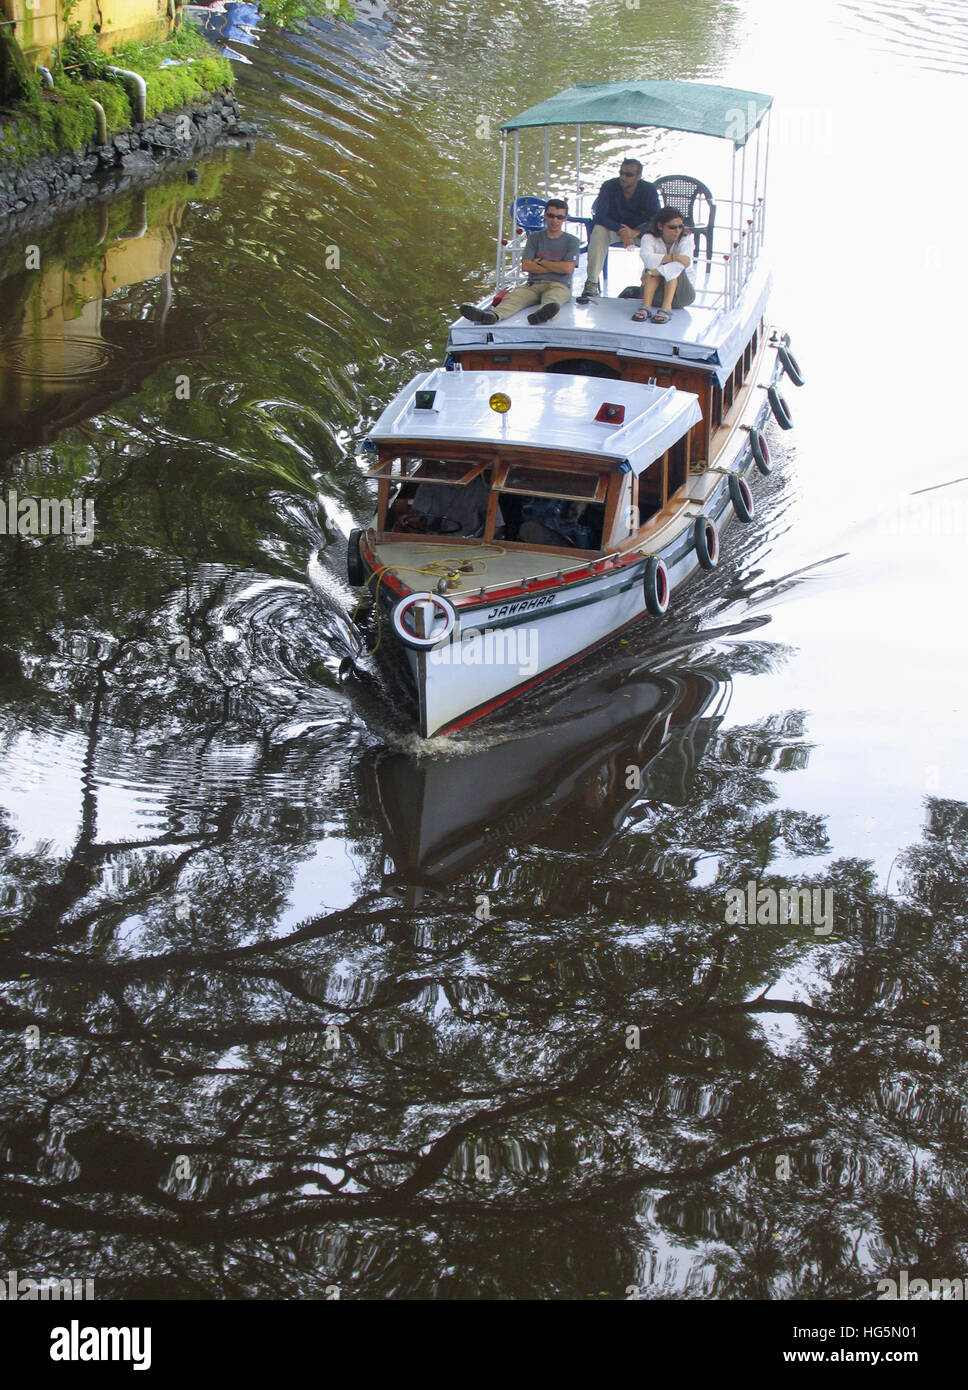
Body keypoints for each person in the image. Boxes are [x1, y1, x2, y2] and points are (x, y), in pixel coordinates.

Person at [460, 200, 579, 327]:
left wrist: (540, 261)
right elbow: (526, 266)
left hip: (559, 286)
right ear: (545, 215)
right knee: (514, 297)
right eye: (551, 215)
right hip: (533, 285)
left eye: (559, 217)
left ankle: (540, 316)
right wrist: (556, 266)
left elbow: (567, 268)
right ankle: (492, 316)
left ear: (565, 218)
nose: (555, 220)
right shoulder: (534, 238)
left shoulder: (572, 241)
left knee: (552, 301)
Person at [577, 159, 660, 303]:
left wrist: (635, 232)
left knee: (655, 239)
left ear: (639, 176)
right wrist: (622, 230)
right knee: (598, 231)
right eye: (621, 173)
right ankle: (592, 283)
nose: (623, 177)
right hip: (615, 229)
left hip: (639, 232)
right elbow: (600, 216)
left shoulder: (649, 189)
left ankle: (648, 283)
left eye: (629, 174)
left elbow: (655, 218)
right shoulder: (609, 186)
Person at [632, 207, 696, 324]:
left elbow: (684, 263)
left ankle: (666, 308)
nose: (677, 231)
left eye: (680, 226)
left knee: (673, 269)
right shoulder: (648, 237)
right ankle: (646, 307)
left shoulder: (686, 239)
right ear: (660, 226)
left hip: (681, 295)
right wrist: (674, 257)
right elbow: (646, 258)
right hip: (654, 296)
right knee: (655, 265)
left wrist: (653, 272)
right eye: (672, 227)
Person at [393, 472, 503, 538]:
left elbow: (496, 526)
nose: (456, 467)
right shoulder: (431, 483)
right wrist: (409, 518)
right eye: (452, 462)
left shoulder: (482, 489)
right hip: (431, 539)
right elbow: (418, 512)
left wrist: (481, 544)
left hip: (469, 542)